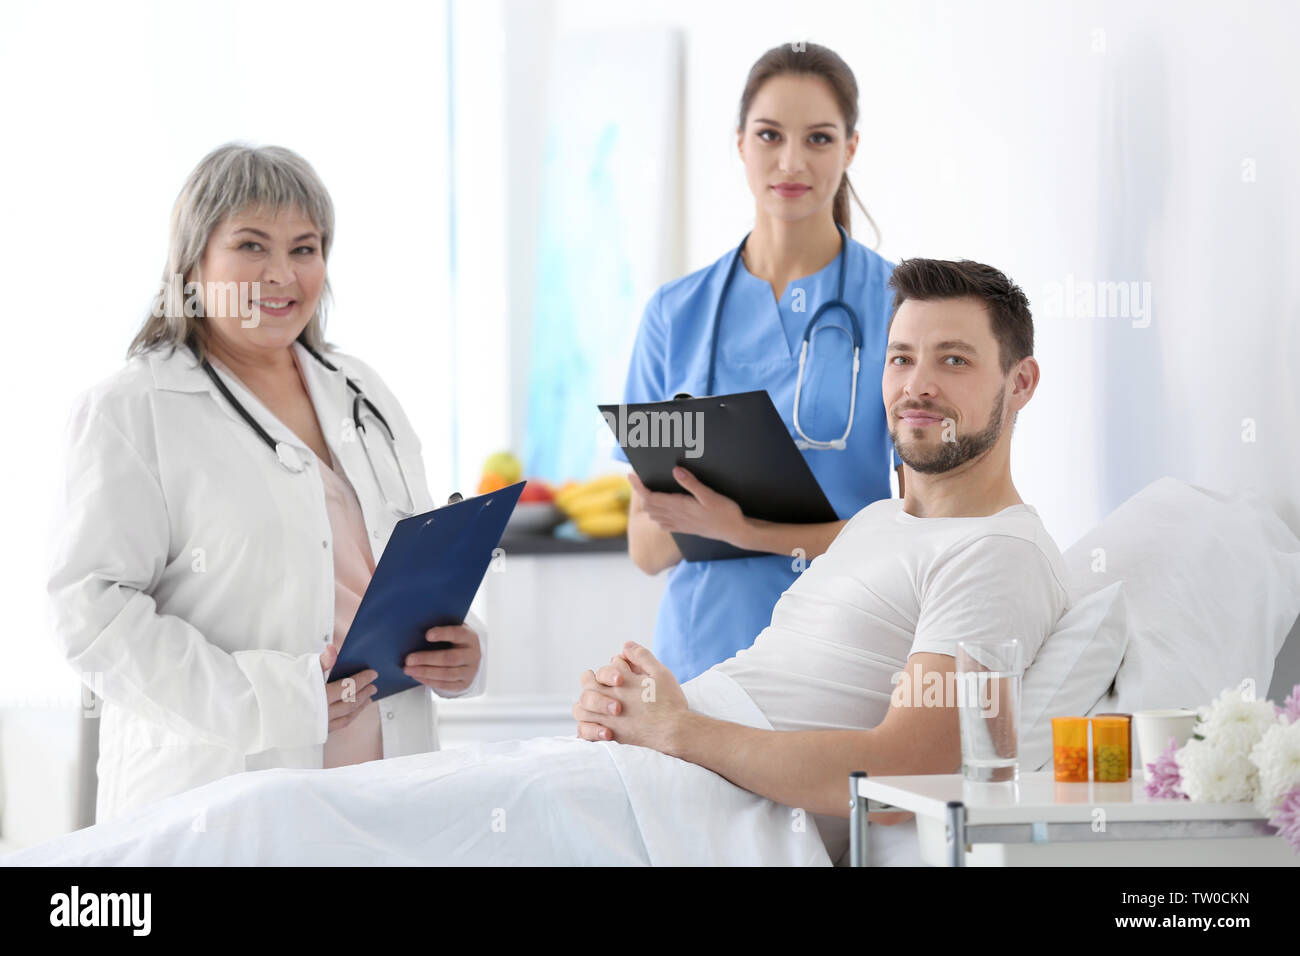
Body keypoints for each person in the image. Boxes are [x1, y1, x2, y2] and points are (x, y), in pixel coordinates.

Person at [14, 257, 1069, 867]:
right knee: (276, 820)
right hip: (648, 764)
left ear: (1018, 385)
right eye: (899, 355)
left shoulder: (996, 556)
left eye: (952, 360)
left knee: (278, 823)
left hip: (681, 805)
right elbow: (840, 563)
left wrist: (680, 725)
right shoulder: (892, 523)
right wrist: (652, 694)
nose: (913, 384)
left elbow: (914, 768)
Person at [48, 143, 486, 822]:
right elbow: (93, 615)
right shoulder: (136, 408)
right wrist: (273, 699)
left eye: (305, 249)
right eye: (251, 246)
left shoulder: (362, 391)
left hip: (386, 785)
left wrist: (461, 643)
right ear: (194, 263)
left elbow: (399, 561)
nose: (282, 274)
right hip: (222, 799)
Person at [618, 43, 902, 683]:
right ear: (740, 143)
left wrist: (741, 529)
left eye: (819, 139)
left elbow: (912, 534)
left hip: (843, 651)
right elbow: (646, 547)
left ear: (851, 149)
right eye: (769, 135)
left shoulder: (899, 309)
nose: (791, 161)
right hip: (703, 660)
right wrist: (698, 520)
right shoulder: (675, 313)